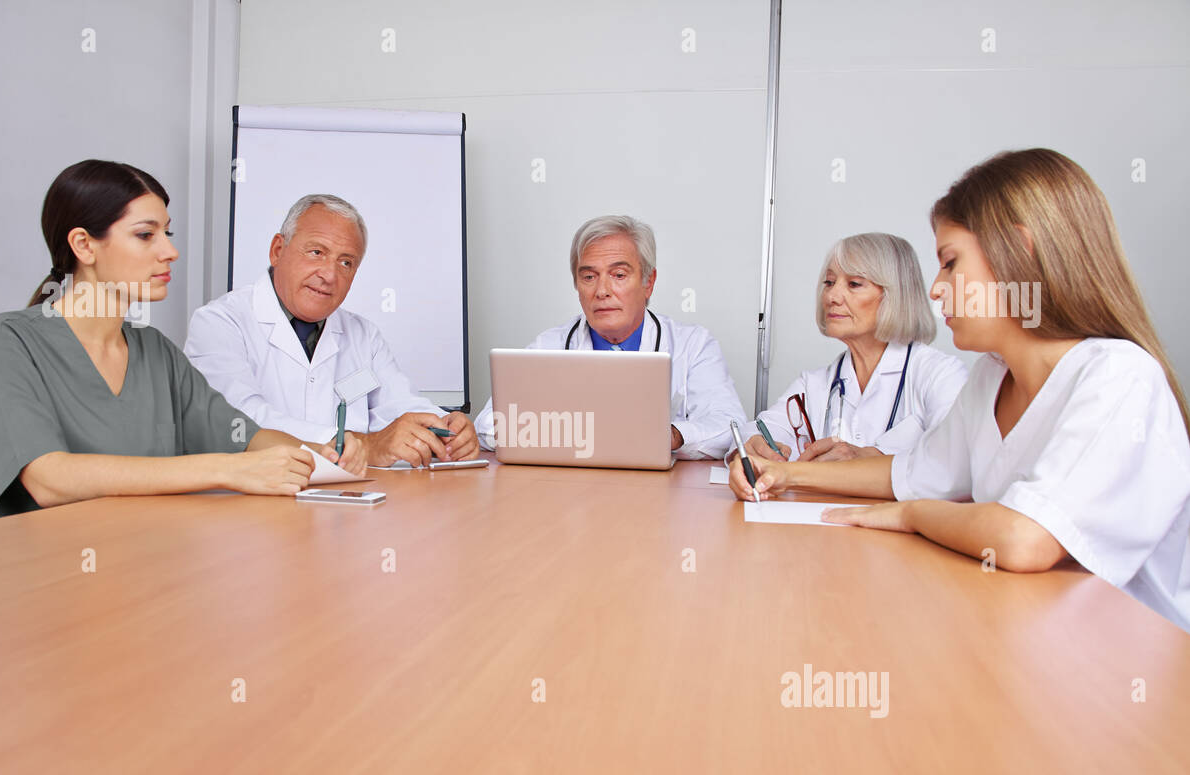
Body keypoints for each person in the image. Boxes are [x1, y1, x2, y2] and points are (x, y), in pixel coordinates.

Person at [729, 148, 1190, 631]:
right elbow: (911, 474)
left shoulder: (1118, 376)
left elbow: (1024, 538)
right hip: (1032, 635)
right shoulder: (992, 377)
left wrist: (914, 516)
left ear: (1021, 252)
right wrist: (786, 475)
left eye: (950, 263)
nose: (935, 288)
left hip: (1125, 673)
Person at [0, 160, 363, 525]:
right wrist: (225, 470)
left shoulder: (155, 352)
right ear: (84, 245)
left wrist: (323, 455)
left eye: (166, 233)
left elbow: (243, 437)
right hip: (22, 573)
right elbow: (48, 479)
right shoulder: (6, 342)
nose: (170, 251)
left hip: (132, 561)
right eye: (146, 235)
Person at [185, 194, 479, 467]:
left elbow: (399, 403)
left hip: (346, 504)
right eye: (316, 252)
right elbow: (239, 421)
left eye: (346, 262)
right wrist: (363, 446)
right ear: (277, 250)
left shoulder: (363, 336)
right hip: (249, 506)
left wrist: (446, 427)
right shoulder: (220, 323)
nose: (329, 275)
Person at [474, 215, 745, 459]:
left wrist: (673, 435)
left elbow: (731, 426)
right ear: (577, 285)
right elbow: (487, 426)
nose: (602, 291)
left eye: (618, 275)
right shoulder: (550, 345)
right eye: (589, 277)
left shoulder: (692, 344)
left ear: (648, 282)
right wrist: (579, 435)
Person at [733, 233, 967, 463]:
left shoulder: (941, 375)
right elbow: (758, 431)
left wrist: (869, 457)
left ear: (896, 295)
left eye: (854, 284)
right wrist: (755, 444)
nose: (832, 296)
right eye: (829, 282)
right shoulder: (813, 385)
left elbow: (955, 463)